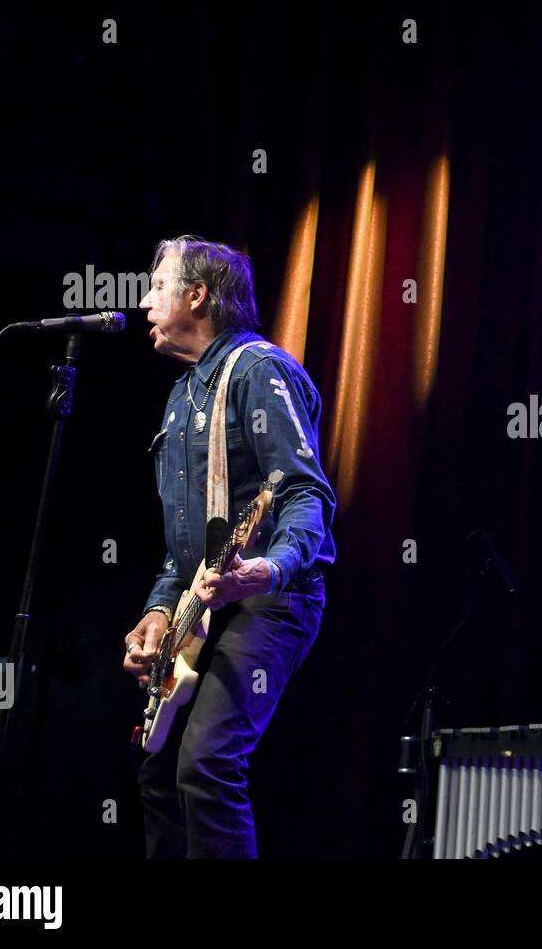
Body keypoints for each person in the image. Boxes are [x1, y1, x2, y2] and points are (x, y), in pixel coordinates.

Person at [122, 235, 337, 858]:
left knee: (206, 764)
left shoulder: (259, 371)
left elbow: (304, 493)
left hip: (274, 600)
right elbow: (182, 546)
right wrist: (161, 611)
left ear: (197, 295)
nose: (144, 300)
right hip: (206, 603)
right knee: (157, 772)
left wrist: (268, 568)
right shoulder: (181, 396)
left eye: (158, 286)